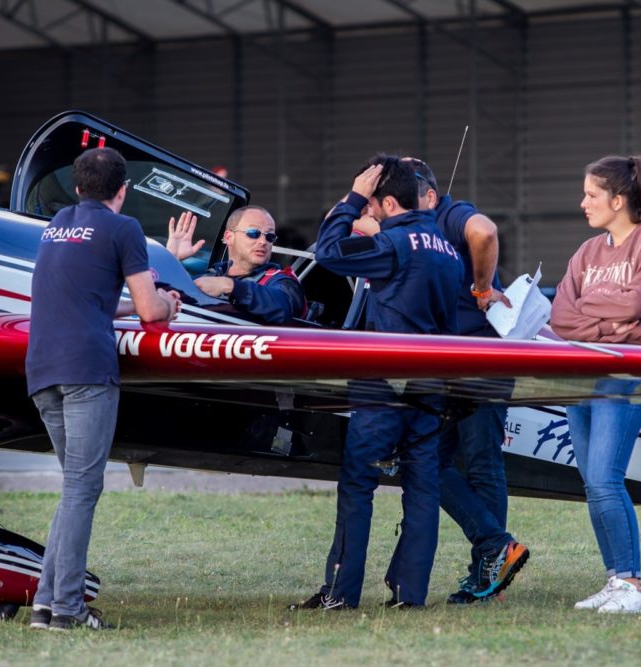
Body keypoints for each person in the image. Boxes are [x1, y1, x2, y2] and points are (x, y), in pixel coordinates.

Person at [292, 155, 462, 609]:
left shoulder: (393, 244)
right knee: (422, 489)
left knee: (357, 486)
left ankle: (340, 594)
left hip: (383, 386)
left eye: (373, 203)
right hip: (432, 386)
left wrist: (350, 199)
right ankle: (410, 594)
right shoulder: (447, 247)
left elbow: (326, 252)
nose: (369, 211)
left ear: (388, 201)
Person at [26, 147, 181, 631]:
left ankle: (45, 605)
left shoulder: (55, 228)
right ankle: (68, 609)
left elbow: (90, 300)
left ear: (76, 188)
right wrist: (168, 304)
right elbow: (152, 310)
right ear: (123, 190)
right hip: (86, 370)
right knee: (81, 491)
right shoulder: (124, 228)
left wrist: (140, 305)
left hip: (42, 370)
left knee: (73, 489)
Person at [550, 155, 641, 614]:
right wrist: (613, 325)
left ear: (618, 200)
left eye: (591, 194)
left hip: (624, 377)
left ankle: (631, 585)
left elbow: (638, 304)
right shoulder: (586, 252)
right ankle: (613, 578)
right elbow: (561, 317)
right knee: (592, 482)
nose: (583, 203)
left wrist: (600, 314)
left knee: (605, 479)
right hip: (580, 375)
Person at [396, 158, 528, 605]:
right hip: (444, 367)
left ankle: (488, 572)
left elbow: (485, 232)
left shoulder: (449, 214)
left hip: (480, 360)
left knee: (481, 462)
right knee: (421, 459)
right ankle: (495, 550)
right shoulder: (413, 226)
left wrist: (481, 287)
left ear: (429, 197)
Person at [166, 205, 305, 324]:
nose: (263, 241)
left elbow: (283, 309)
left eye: (270, 236)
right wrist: (171, 259)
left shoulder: (282, 281)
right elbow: (158, 300)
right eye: (253, 233)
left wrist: (230, 286)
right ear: (228, 237)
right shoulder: (209, 277)